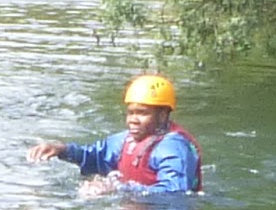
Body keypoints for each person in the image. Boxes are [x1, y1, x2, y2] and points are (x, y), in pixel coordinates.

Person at [27, 74, 202, 194]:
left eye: (142, 113)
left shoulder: (173, 148)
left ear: (163, 115)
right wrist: (62, 150)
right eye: (130, 113)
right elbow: (95, 156)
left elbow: (174, 192)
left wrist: (118, 189)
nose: (133, 120)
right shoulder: (124, 140)